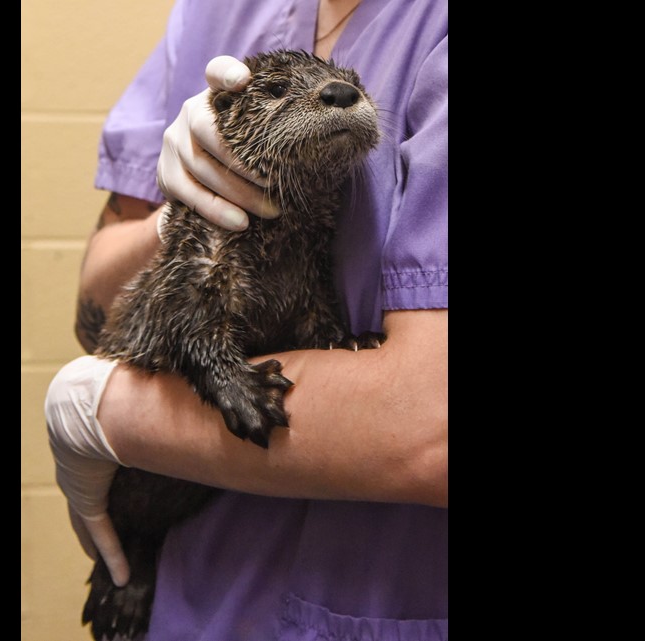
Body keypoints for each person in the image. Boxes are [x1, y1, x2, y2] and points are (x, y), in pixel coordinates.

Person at [45, 0, 448, 638]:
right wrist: (181, 210)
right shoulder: (213, 12)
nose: (344, 94)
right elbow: (94, 308)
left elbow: (434, 427)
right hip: (193, 596)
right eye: (286, 92)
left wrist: (104, 408)